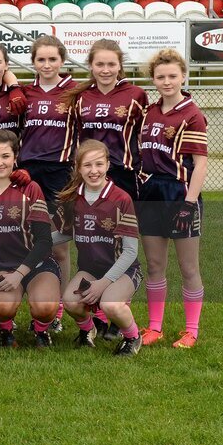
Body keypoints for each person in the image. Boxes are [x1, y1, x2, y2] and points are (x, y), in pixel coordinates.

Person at [137, 50, 208, 349]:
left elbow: (200, 164)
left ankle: (191, 331)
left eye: (172, 76)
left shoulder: (192, 114)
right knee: (154, 264)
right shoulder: (149, 112)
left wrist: (189, 203)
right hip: (150, 192)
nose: (167, 82)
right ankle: (155, 327)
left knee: (188, 267)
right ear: (153, 79)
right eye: (160, 77)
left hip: (179, 194)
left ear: (183, 77)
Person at [55, 140, 144, 356]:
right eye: (87, 165)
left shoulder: (121, 199)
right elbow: (67, 232)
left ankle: (133, 336)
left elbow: (130, 251)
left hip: (124, 270)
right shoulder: (73, 197)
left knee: (110, 304)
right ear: (78, 168)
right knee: (70, 301)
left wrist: (103, 283)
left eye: (99, 164)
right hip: (91, 269)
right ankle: (88, 330)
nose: (93, 171)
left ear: (108, 165)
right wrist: (34, 241)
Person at [0, 130, 59, 349]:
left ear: (15, 157)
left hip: (36, 265)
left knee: (44, 307)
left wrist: (19, 274)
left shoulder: (30, 188)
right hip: (1, 266)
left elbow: (44, 242)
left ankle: (41, 331)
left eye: (6, 156)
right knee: (2, 308)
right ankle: (6, 331)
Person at [19, 35, 77, 331]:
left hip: (59, 173)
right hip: (27, 174)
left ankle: (57, 310)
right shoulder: (23, 92)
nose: (47, 64)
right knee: (28, 240)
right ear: (33, 62)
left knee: (59, 246)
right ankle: (30, 304)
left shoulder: (75, 92)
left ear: (62, 60)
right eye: (40, 59)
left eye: (52, 59)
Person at [63, 39, 148, 200]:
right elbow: (77, 134)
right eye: (100, 64)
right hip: (90, 173)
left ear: (120, 65)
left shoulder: (136, 95)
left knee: (126, 216)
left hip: (124, 174)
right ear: (91, 65)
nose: (105, 70)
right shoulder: (81, 96)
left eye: (111, 64)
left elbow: (143, 136)